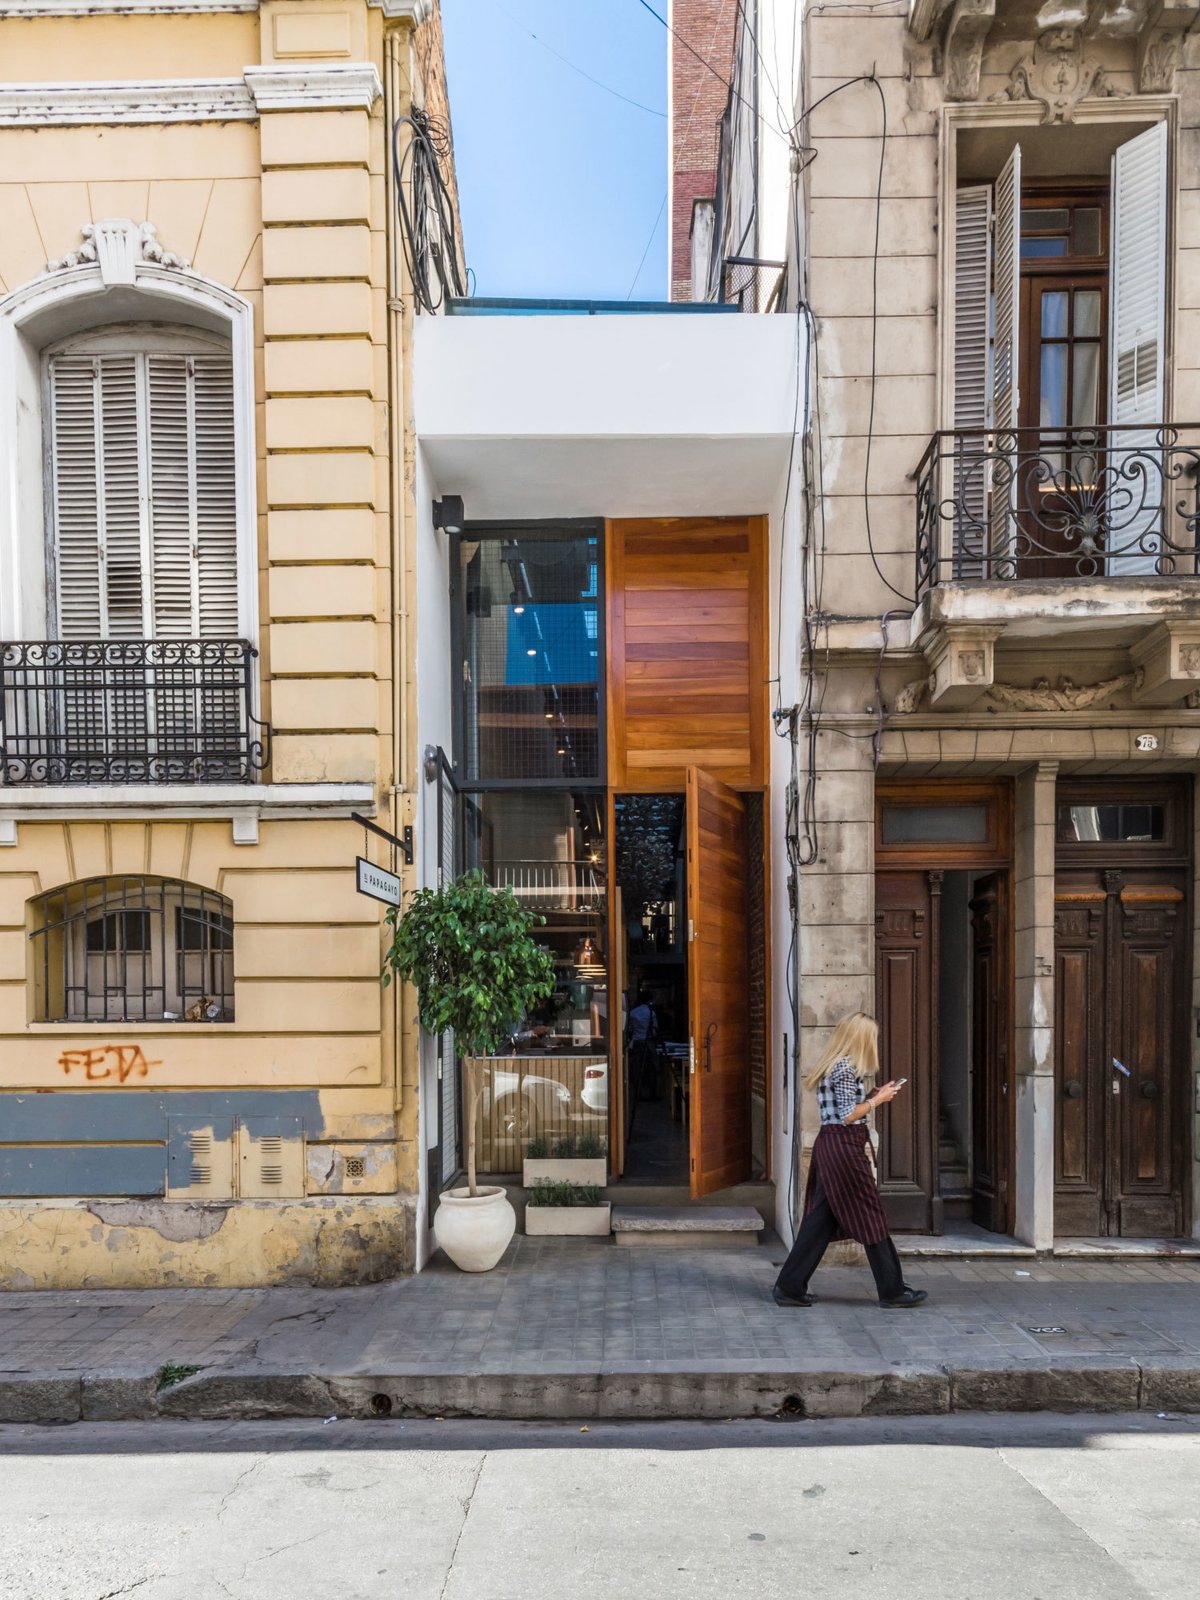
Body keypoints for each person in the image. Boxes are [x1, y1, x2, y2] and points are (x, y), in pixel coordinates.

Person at [773, 1011, 927, 1311]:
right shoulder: (845, 1069)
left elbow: (843, 1109)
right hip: (844, 1149)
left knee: (820, 1220)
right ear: (859, 1038)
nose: (874, 1042)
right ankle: (892, 1290)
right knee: (871, 1215)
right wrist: (876, 1101)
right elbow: (847, 1115)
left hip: (832, 1146)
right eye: (871, 1037)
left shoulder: (835, 1066)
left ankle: (790, 1286)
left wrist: (873, 1094)